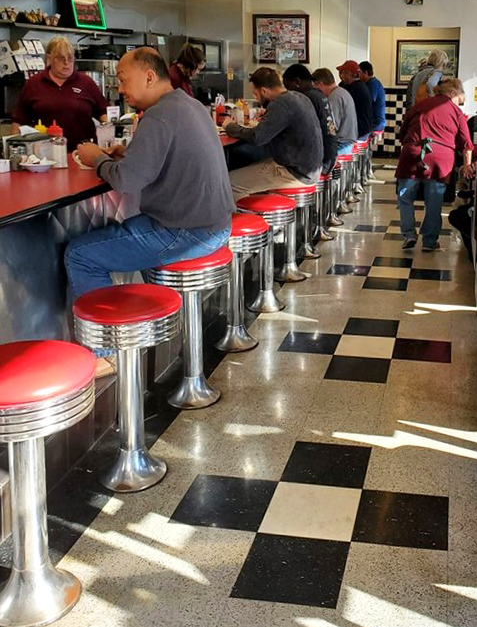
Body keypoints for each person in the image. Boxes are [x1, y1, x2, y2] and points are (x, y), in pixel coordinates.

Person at [65, 48, 234, 374]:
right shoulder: (189, 105)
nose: (121, 89)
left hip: (189, 230)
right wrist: (125, 153)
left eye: (123, 80)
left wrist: (95, 158)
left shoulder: (158, 116)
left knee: (80, 255)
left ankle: (108, 353)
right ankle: (158, 330)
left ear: (148, 75)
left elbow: (126, 182)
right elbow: (156, 160)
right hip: (213, 224)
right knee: (131, 229)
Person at [395, 78, 474, 251]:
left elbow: (403, 132)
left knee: (405, 197)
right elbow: (467, 145)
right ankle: (429, 241)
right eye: (458, 100)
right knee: (433, 201)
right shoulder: (456, 112)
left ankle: (408, 235)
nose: (458, 104)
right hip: (440, 159)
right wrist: (466, 165)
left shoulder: (421, 105)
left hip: (412, 153)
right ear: (453, 93)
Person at [224, 67, 323, 196]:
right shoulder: (298, 97)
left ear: (264, 91)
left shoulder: (281, 104)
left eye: (255, 94)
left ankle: (245, 215)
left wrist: (229, 126)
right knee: (250, 168)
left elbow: (257, 137)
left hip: (296, 172)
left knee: (230, 183)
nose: (256, 97)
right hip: (310, 168)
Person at [11, 36, 108, 150]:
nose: (66, 63)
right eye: (60, 58)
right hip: (43, 154)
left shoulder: (86, 82)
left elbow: (104, 113)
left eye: (70, 58)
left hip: (83, 152)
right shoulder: (34, 84)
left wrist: (109, 138)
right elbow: (18, 121)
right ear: (49, 58)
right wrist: (14, 149)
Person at [282, 63, 338, 174]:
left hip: (320, 162)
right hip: (331, 154)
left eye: (289, 88)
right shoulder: (319, 95)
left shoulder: (307, 98)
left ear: (297, 82)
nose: (290, 93)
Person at [312, 67, 358, 154]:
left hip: (342, 144)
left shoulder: (334, 97)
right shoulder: (341, 92)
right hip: (349, 141)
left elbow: (332, 127)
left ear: (320, 84)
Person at [337, 60, 373, 139]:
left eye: (342, 73)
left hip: (359, 130)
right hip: (364, 128)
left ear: (349, 74)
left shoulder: (353, 88)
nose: (341, 76)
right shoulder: (360, 86)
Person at [358, 61, 386, 132]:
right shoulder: (372, 83)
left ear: (366, 73)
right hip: (376, 122)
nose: (358, 75)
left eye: (359, 72)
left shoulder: (372, 84)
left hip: (376, 123)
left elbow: (368, 102)